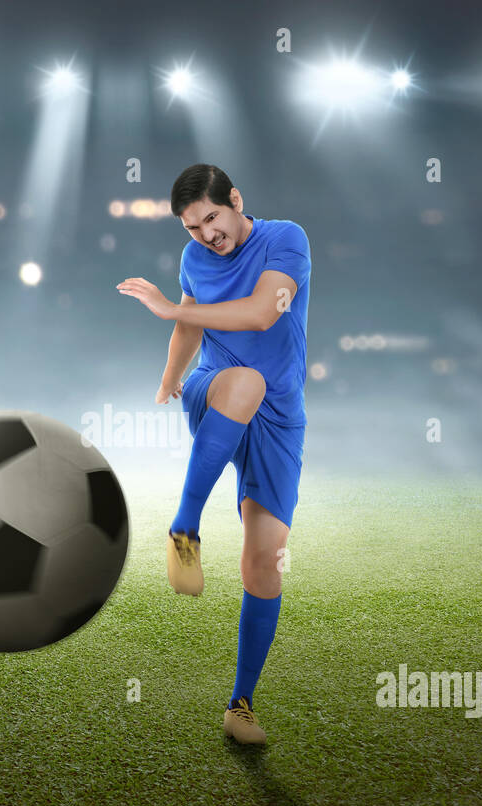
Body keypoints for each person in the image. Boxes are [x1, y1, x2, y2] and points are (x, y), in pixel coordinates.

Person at [117, 163, 311, 744]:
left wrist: (173, 310)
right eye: (192, 227)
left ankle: (240, 705)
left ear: (235, 201)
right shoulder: (194, 261)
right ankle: (185, 530)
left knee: (266, 560)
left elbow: (261, 311)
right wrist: (168, 378)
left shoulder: (286, 239)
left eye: (211, 218)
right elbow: (190, 330)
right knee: (245, 379)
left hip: (280, 418)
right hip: (218, 390)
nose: (205, 235)